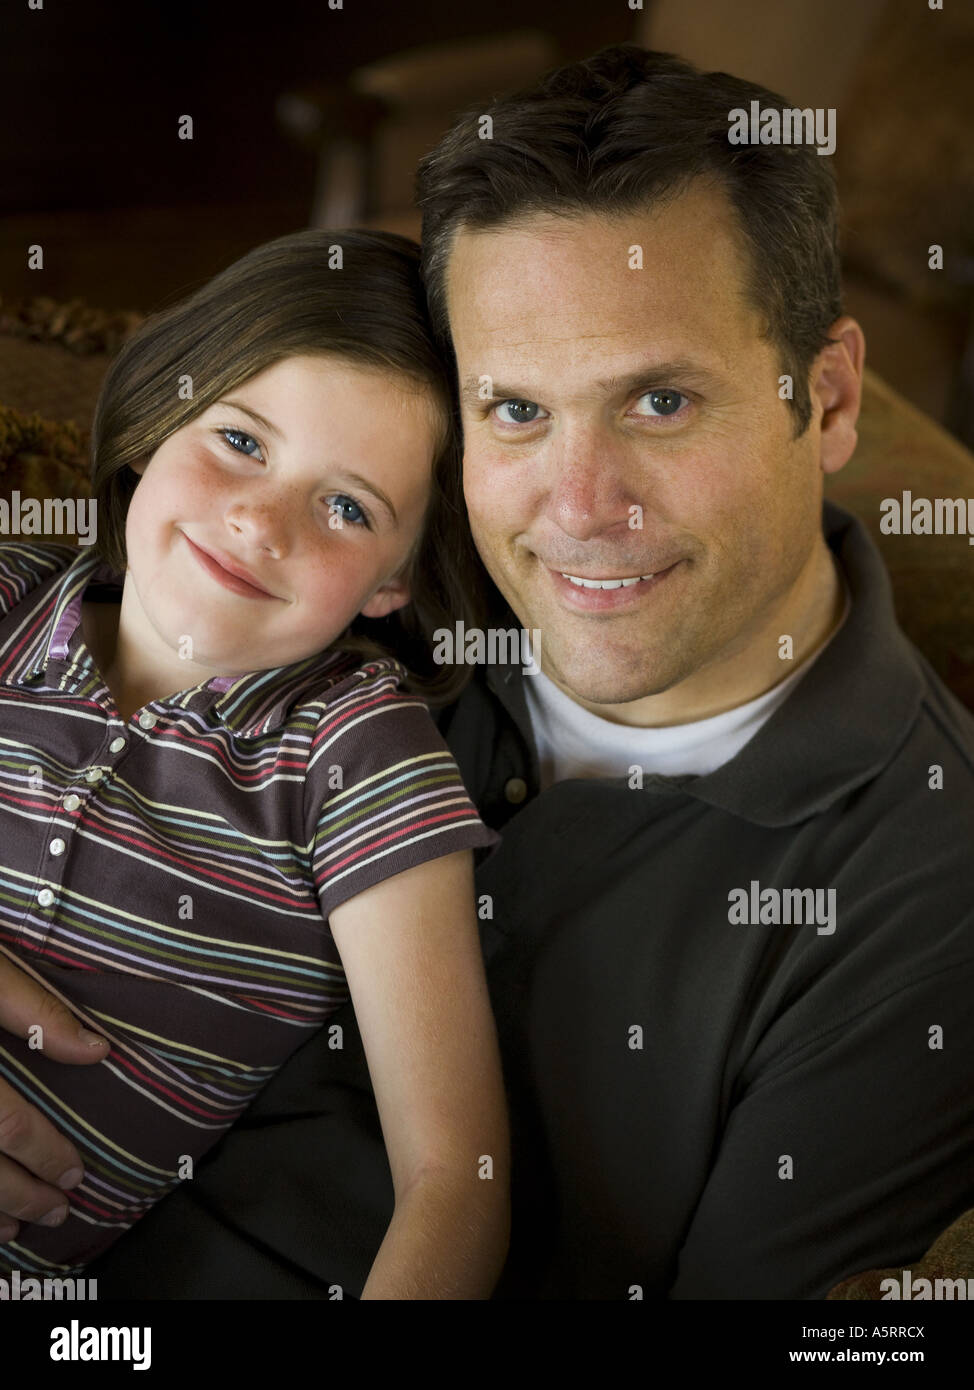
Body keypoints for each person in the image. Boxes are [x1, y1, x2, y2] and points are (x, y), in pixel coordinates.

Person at [4, 43, 973, 1301]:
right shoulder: (323, 606)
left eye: (660, 402)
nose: (577, 510)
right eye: (514, 410)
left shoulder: (921, 896)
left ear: (828, 397)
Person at [0, 229, 510, 1298]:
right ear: (155, 422)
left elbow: (453, 1178)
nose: (257, 519)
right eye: (239, 439)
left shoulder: (353, 751)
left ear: (395, 581)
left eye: (345, 507)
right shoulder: (9, 588)